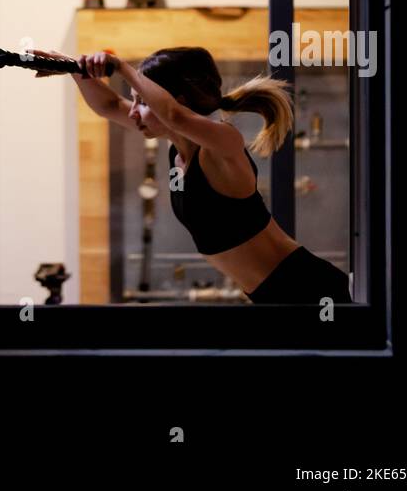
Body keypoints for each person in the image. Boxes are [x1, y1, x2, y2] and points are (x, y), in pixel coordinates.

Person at [43, 45, 352, 305]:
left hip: (307, 288)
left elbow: (175, 116)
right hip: (267, 295)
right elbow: (109, 105)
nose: (134, 112)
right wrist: (73, 67)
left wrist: (121, 66)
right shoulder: (176, 148)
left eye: (142, 102)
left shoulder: (223, 144)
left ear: (176, 102)